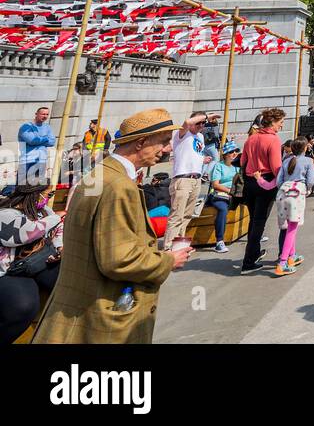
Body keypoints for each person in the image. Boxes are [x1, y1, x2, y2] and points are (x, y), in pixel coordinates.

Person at [33, 109, 193, 343]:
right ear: (141, 142)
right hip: (104, 314)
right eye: (164, 142)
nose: (168, 149)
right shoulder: (119, 186)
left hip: (82, 305)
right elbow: (118, 259)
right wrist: (169, 260)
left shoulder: (100, 174)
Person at [0, 182, 63, 344]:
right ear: (34, 193)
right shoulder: (5, 214)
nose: (49, 199)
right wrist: (56, 217)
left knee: (67, 282)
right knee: (23, 306)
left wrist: (59, 247)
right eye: (48, 195)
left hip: (37, 263)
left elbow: (57, 229)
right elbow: (25, 233)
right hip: (8, 272)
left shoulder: (44, 211)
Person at [238, 108, 285, 275]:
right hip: (266, 181)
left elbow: (243, 161)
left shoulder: (251, 138)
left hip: (250, 181)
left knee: (254, 220)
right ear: (272, 122)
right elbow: (276, 167)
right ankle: (248, 262)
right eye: (280, 122)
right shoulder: (273, 140)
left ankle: (254, 252)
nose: (281, 125)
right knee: (259, 221)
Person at [163, 112, 210, 251]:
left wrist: (203, 160)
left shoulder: (200, 137)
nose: (201, 126)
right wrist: (206, 117)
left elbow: (192, 154)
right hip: (182, 178)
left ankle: (179, 244)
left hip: (196, 178)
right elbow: (187, 122)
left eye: (203, 124)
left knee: (188, 214)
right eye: (199, 122)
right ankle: (168, 246)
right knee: (177, 214)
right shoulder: (181, 134)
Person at [273, 138, 314, 277]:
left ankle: (292, 255)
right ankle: (283, 262)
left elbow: (279, 181)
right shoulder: (308, 161)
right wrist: (308, 190)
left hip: (282, 193)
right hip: (296, 194)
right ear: (304, 149)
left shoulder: (286, 161)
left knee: (287, 226)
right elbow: (310, 181)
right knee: (292, 229)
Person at [207, 142, 240, 253]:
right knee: (222, 208)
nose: (234, 153)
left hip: (235, 194)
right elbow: (215, 184)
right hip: (220, 194)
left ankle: (256, 234)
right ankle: (219, 241)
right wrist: (230, 191)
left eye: (236, 151)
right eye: (231, 152)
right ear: (225, 154)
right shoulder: (219, 166)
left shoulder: (238, 167)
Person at [17, 106, 55, 186]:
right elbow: (32, 141)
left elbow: (52, 142)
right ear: (36, 114)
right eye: (43, 114)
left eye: (47, 114)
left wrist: (39, 139)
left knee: (36, 186)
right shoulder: (26, 127)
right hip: (27, 160)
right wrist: (45, 138)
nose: (45, 116)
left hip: (41, 160)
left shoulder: (47, 127)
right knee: (21, 186)